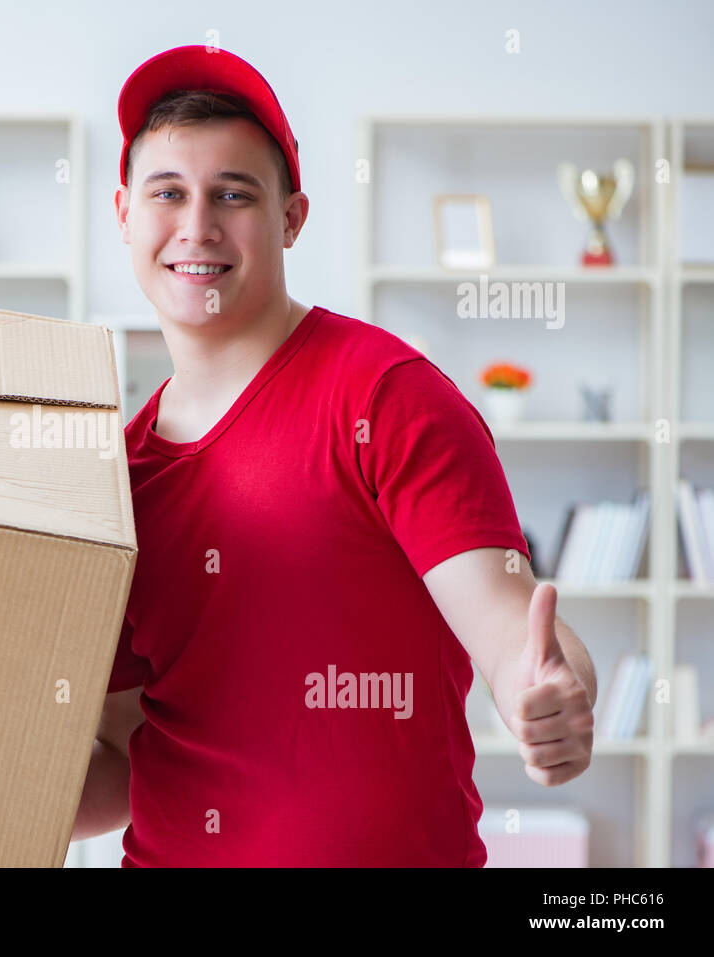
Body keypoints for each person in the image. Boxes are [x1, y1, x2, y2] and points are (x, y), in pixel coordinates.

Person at [70, 45, 597, 866]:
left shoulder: (388, 397)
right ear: (125, 214)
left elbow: (516, 637)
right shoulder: (116, 472)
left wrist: (548, 694)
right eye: (167, 192)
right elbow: (123, 756)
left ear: (291, 218)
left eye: (233, 194)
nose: (197, 226)